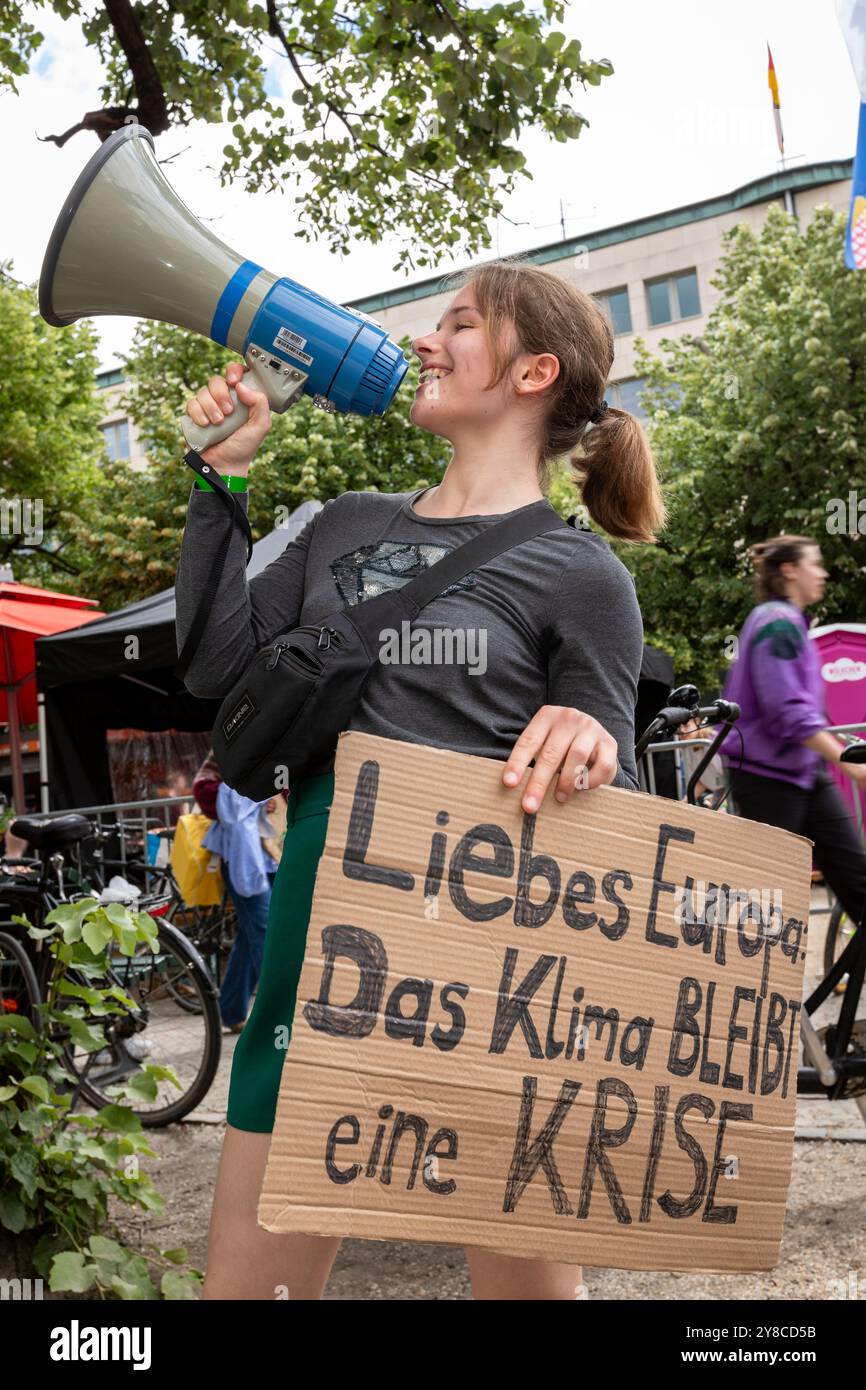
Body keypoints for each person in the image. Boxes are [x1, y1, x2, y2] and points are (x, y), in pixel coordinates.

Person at [174, 260, 665, 1300]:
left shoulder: (583, 576)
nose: (422, 344)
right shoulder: (346, 524)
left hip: (487, 976)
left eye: (455, 324)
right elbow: (218, 668)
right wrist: (221, 480)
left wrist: (587, 734)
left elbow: (606, 785)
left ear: (533, 371)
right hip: (319, 957)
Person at [717, 535, 866, 933]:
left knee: (857, 881)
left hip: (801, 775)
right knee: (769, 907)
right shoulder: (776, 624)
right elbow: (787, 712)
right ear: (789, 570)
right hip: (768, 779)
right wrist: (850, 766)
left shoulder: (789, 625)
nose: (823, 573)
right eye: (814, 564)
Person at [192, 750, 282, 1033]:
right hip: (244, 856)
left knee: (251, 934)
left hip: (274, 852)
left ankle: (231, 1011)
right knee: (265, 933)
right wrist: (253, 798)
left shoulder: (285, 736)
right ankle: (277, 1017)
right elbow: (204, 791)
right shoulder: (235, 737)